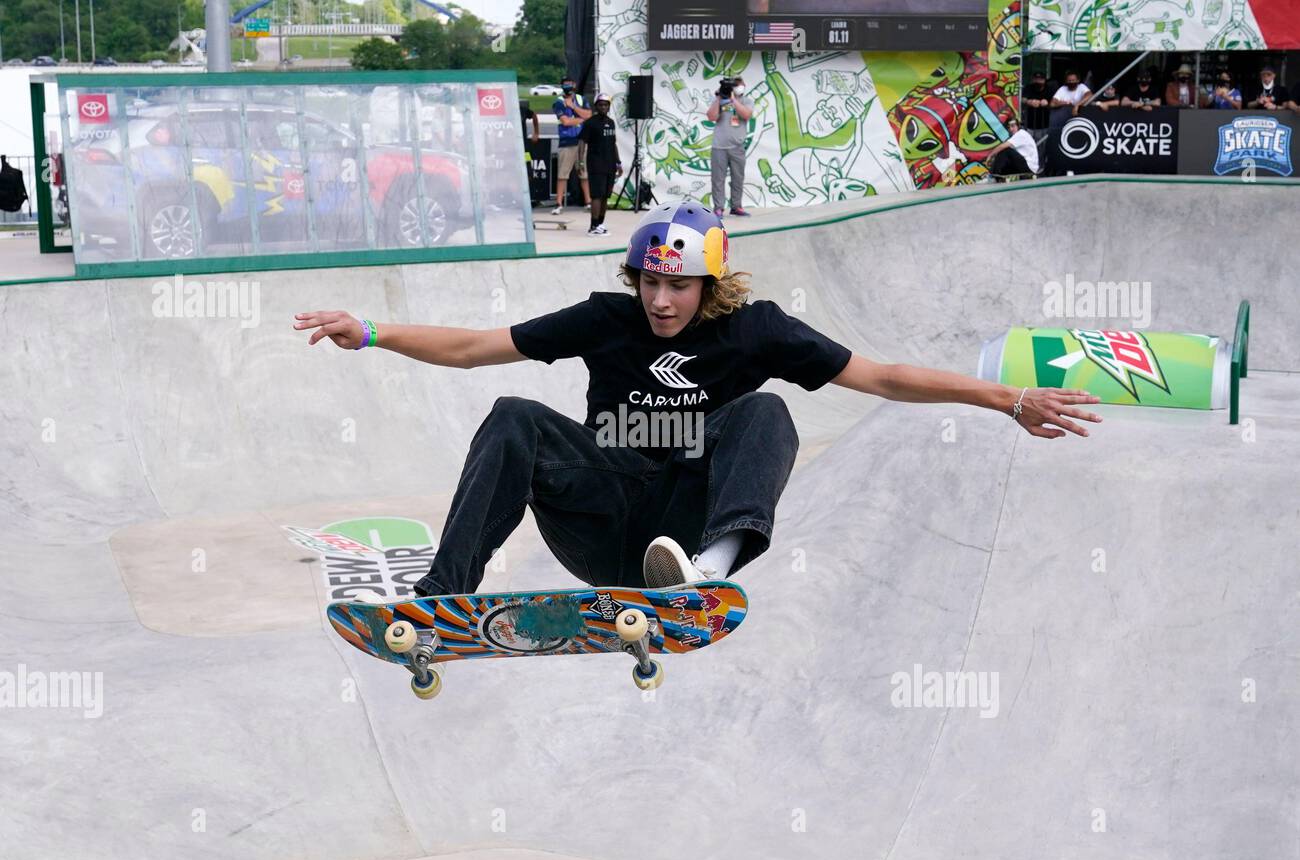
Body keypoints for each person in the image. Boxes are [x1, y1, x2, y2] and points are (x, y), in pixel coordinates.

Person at [293, 201, 1102, 597]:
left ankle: (711, 570)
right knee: (514, 416)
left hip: (680, 528)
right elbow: (475, 350)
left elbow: (883, 376)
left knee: (766, 410)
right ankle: (442, 599)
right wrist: (372, 329)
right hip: (602, 516)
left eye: (678, 286)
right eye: (650, 281)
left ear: (709, 283)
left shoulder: (758, 332)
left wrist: (1005, 398)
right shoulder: (603, 318)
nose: (661, 301)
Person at [706, 78, 754, 218]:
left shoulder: (747, 101)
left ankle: (736, 206)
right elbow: (711, 117)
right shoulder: (719, 100)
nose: (738, 88)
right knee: (718, 179)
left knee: (738, 178)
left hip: (737, 146)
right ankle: (718, 208)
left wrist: (733, 100)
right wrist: (719, 98)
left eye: (739, 86)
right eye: (735, 86)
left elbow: (746, 115)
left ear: (743, 87)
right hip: (719, 146)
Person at [579, 93, 623, 237]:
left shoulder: (611, 122)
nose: (603, 107)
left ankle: (600, 223)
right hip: (596, 164)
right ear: (596, 106)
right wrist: (580, 161)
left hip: (610, 164)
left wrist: (618, 162)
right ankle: (593, 226)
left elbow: (613, 143)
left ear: (609, 107)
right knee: (597, 195)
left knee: (605, 196)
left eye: (606, 105)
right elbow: (582, 142)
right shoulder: (590, 123)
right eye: (600, 104)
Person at [552, 77, 591, 215]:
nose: (568, 86)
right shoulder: (558, 102)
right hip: (567, 143)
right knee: (563, 174)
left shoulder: (581, 100)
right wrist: (581, 119)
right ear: (562, 86)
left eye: (570, 83)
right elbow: (566, 122)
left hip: (582, 142)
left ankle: (588, 202)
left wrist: (574, 107)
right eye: (565, 84)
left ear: (574, 85)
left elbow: (589, 115)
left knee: (584, 173)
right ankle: (558, 204)